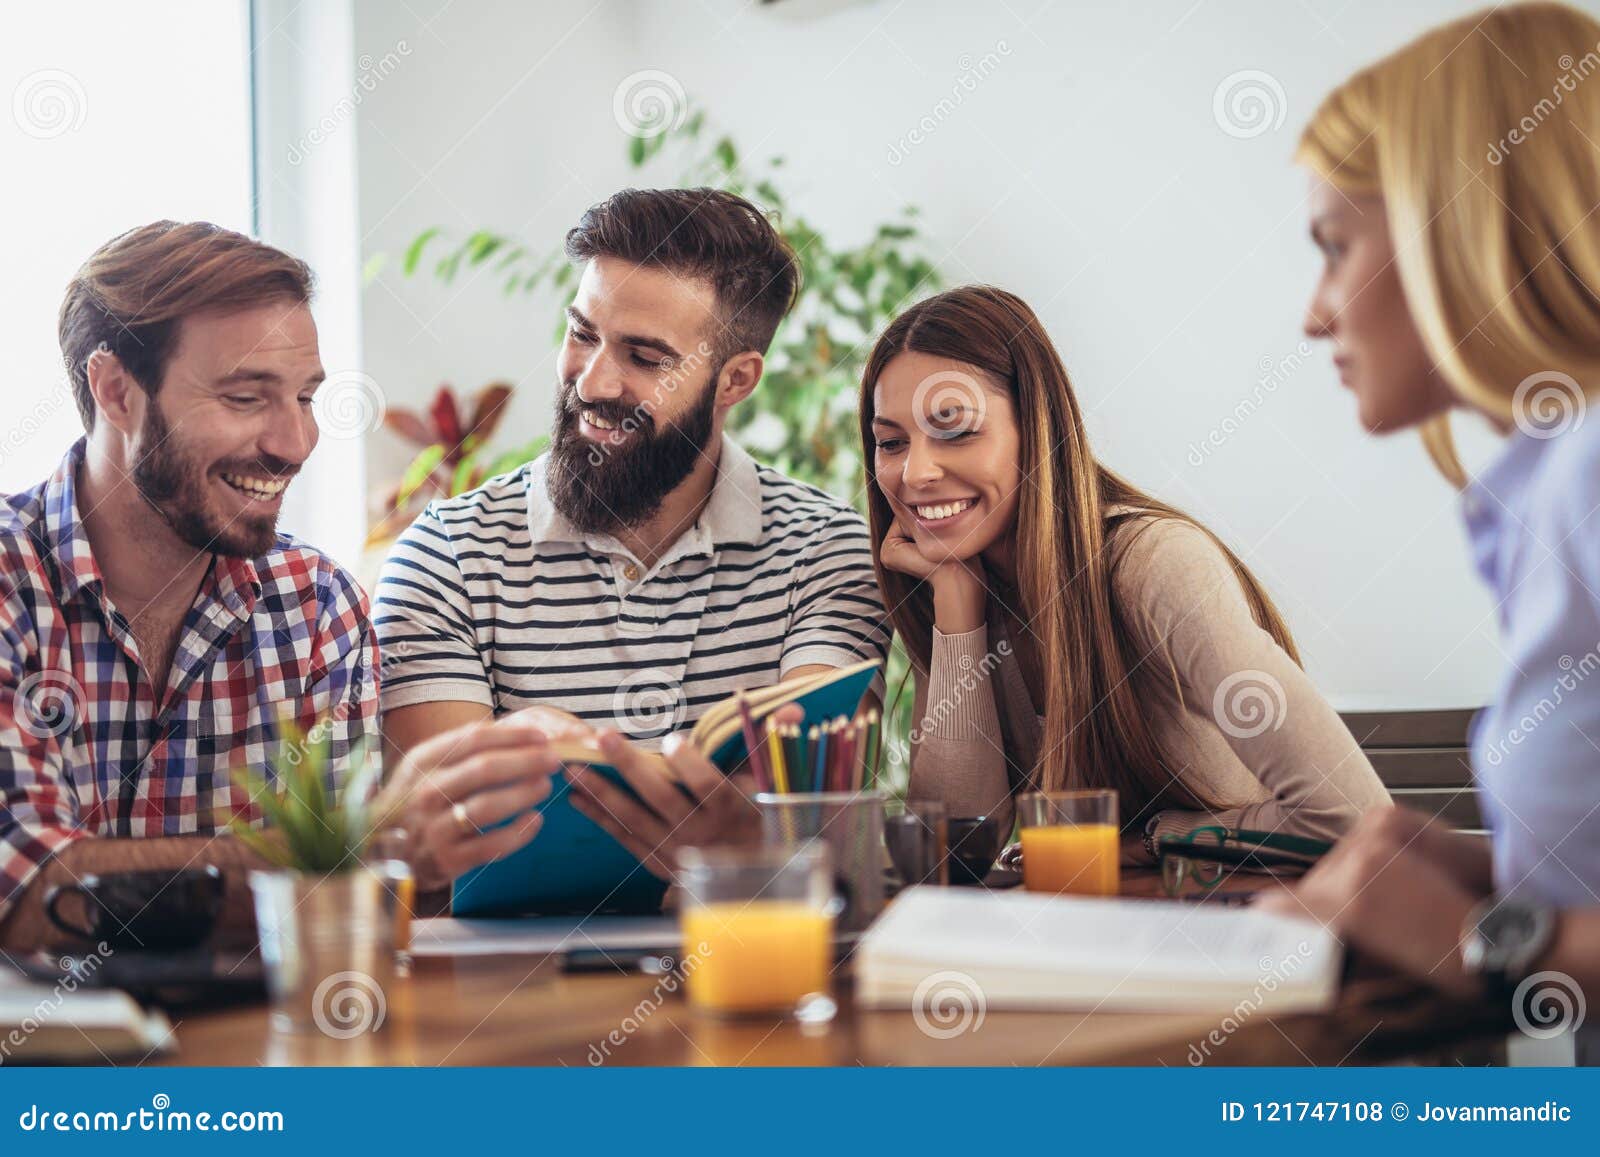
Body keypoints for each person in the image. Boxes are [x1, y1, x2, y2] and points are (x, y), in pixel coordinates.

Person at [375, 188, 889, 897]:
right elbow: (432, 851)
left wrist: (746, 837)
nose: (592, 380)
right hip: (511, 995)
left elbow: (819, 831)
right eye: (582, 332)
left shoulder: (829, 553)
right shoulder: (445, 557)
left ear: (735, 379)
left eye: (645, 356)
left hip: (751, 973)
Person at [1259, 2, 1600, 1018]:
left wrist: (1486, 942)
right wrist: (1493, 867)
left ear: (1454, 228)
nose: (1314, 311)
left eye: (1333, 246)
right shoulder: (1546, 477)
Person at [861, 285, 1390, 859]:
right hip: (1108, 937)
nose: (914, 473)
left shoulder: (1155, 563)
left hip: (1244, 926)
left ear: (1037, 427)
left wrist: (1148, 839)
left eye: (955, 429)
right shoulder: (961, 582)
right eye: (891, 442)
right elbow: (951, 852)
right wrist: (958, 609)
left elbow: (1353, 818)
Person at [0, 222, 381, 949]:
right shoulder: (10, 582)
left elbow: (340, 910)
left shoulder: (318, 606)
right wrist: (288, 871)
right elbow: (21, 897)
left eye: (304, 398)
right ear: (116, 390)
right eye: (246, 398)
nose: (293, 443)